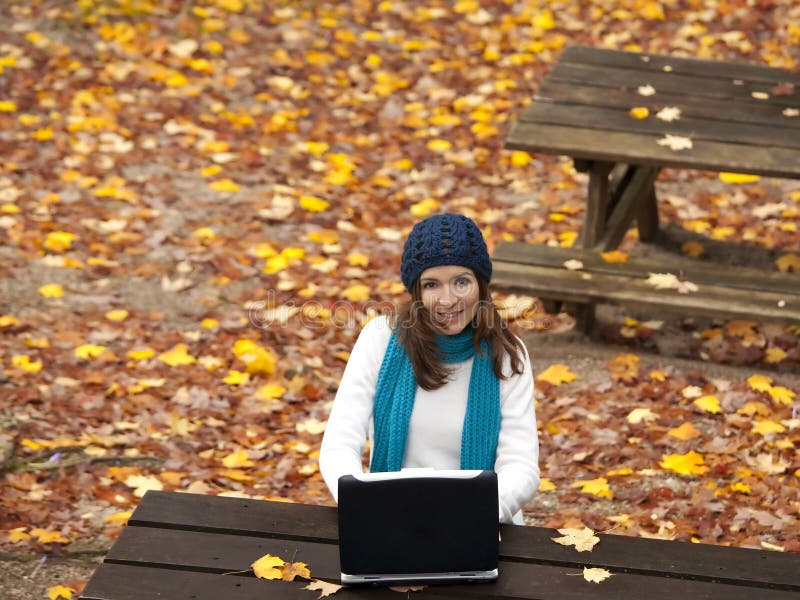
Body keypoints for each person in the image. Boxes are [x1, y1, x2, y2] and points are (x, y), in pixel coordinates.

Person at [319, 213, 539, 524]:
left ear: (481, 284)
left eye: (461, 282)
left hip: (482, 522)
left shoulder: (507, 355)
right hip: (390, 516)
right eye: (432, 284)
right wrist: (363, 504)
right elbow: (339, 445)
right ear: (416, 291)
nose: (447, 300)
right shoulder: (380, 340)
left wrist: (474, 515)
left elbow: (521, 465)